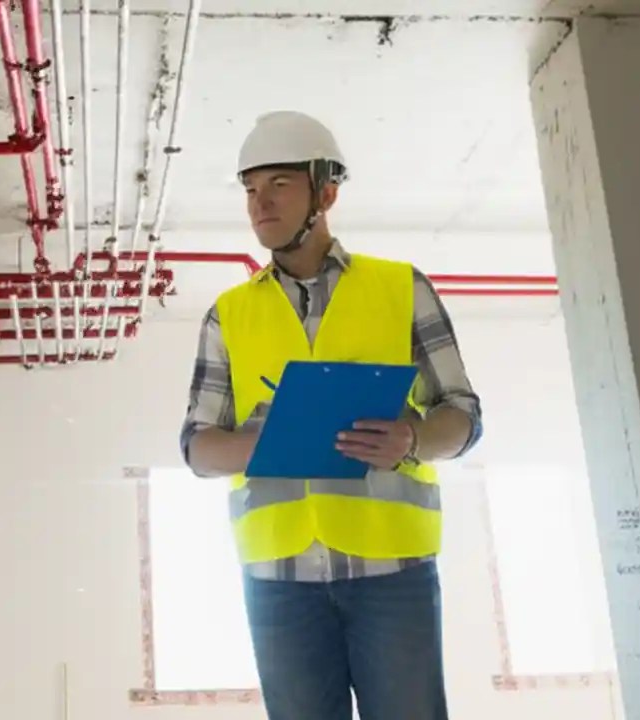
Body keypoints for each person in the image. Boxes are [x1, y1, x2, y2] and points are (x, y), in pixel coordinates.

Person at [179, 111, 484, 720]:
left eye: (279, 185)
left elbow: (463, 416)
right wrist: (262, 443)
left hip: (391, 571)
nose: (259, 204)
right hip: (278, 580)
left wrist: (412, 438)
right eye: (250, 191)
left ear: (326, 193)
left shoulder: (401, 288)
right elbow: (196, 446)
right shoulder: (229, 314)